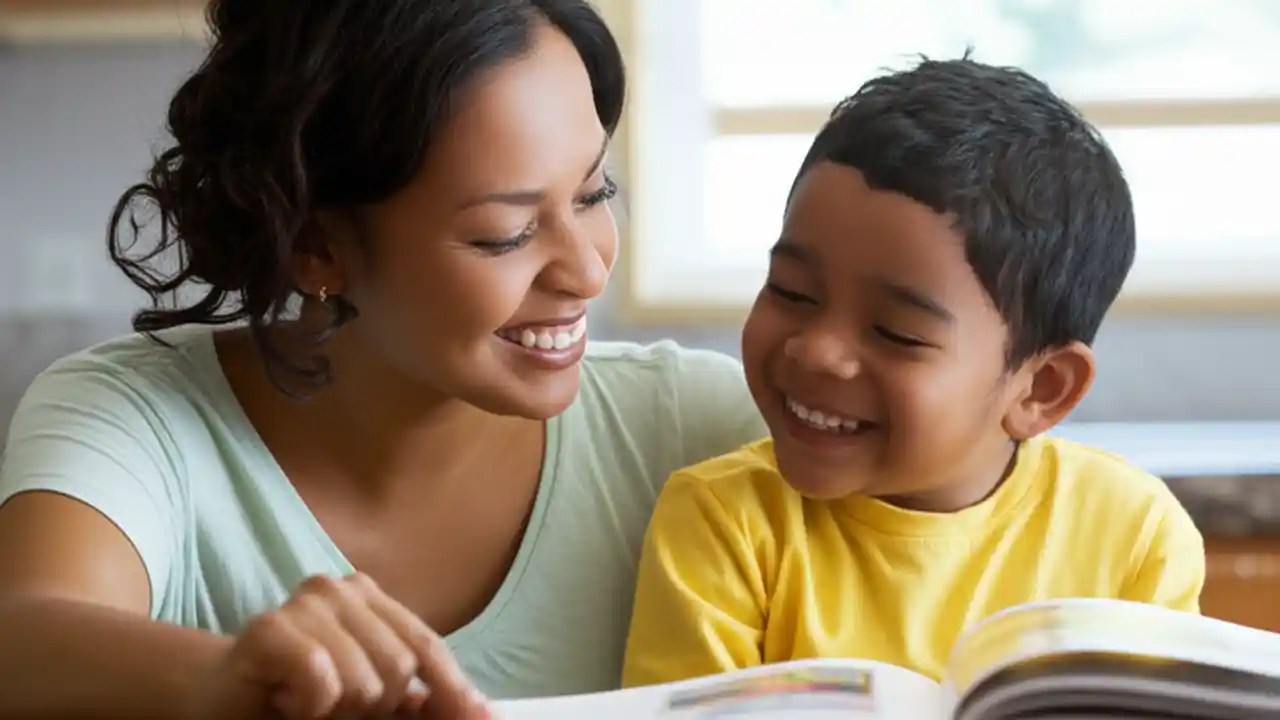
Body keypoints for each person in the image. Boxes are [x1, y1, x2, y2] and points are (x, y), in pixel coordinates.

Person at [0, 1, 766, 718]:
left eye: (595, 194)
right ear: (316, 246)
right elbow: (22, 637)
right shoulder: (134, 421)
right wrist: (222, 676)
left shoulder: (688, 428)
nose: (589, 270)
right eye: (506, 234)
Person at [620, 56, 1206, 689]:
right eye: (791, 291)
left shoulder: (1134, 534)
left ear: (1040, 388)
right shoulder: (725, 523)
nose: (816, 352)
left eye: (895, 332)